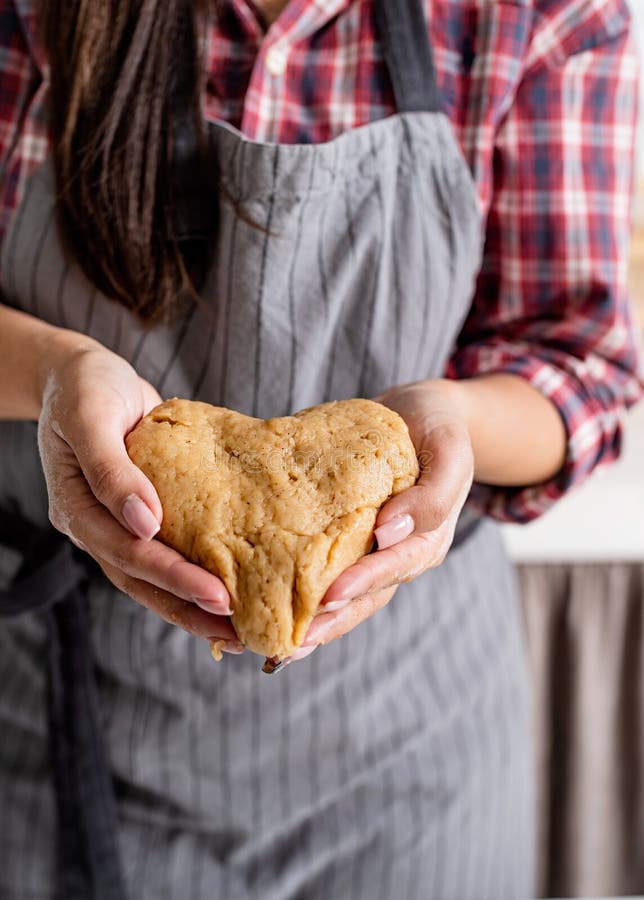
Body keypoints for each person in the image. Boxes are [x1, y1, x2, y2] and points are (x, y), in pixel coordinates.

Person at [0, 0, 641, 897]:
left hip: (411, 761)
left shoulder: (543, 15)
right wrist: (56, 368)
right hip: (66, 734)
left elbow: (582, 366)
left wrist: (449, 420)